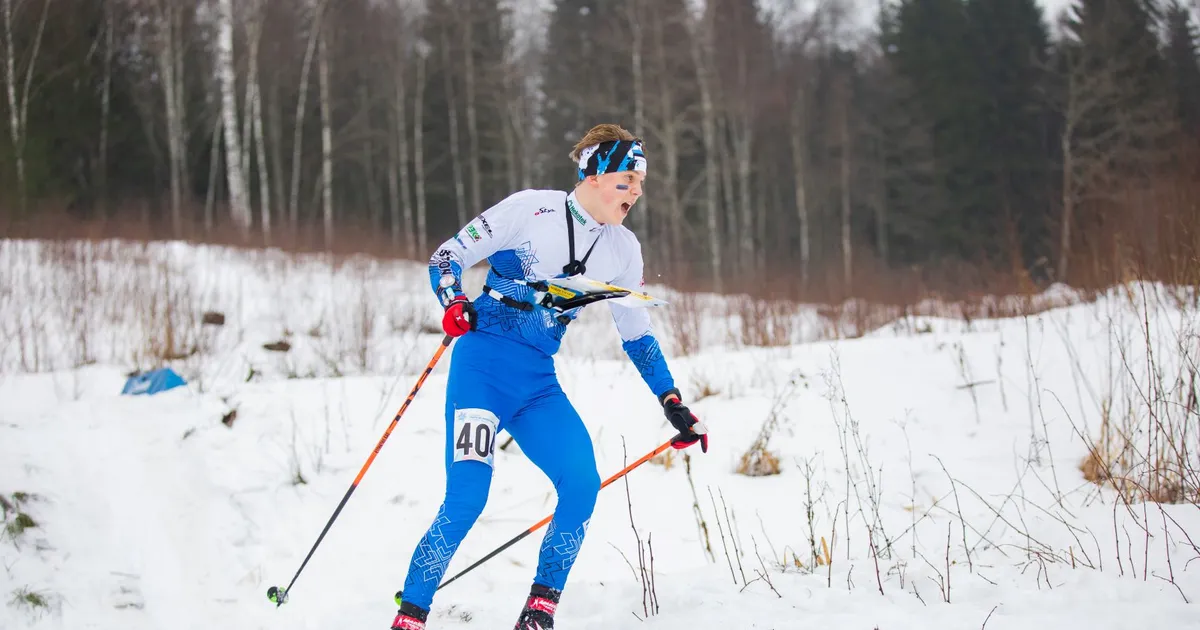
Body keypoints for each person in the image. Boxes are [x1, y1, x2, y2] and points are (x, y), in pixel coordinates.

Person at [390, 123, 709, 630]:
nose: (637, 191)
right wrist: (453, 302)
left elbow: (636, 332)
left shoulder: (623, 251)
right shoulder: (530, 210)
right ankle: (411, 616)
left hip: (537, 385)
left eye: (642, 182)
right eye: (628, 178)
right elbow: (447, 256)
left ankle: (539, 610)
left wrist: (671, 400)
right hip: (481, 370)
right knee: (468, 497)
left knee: (582, 482)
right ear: (597, 173)